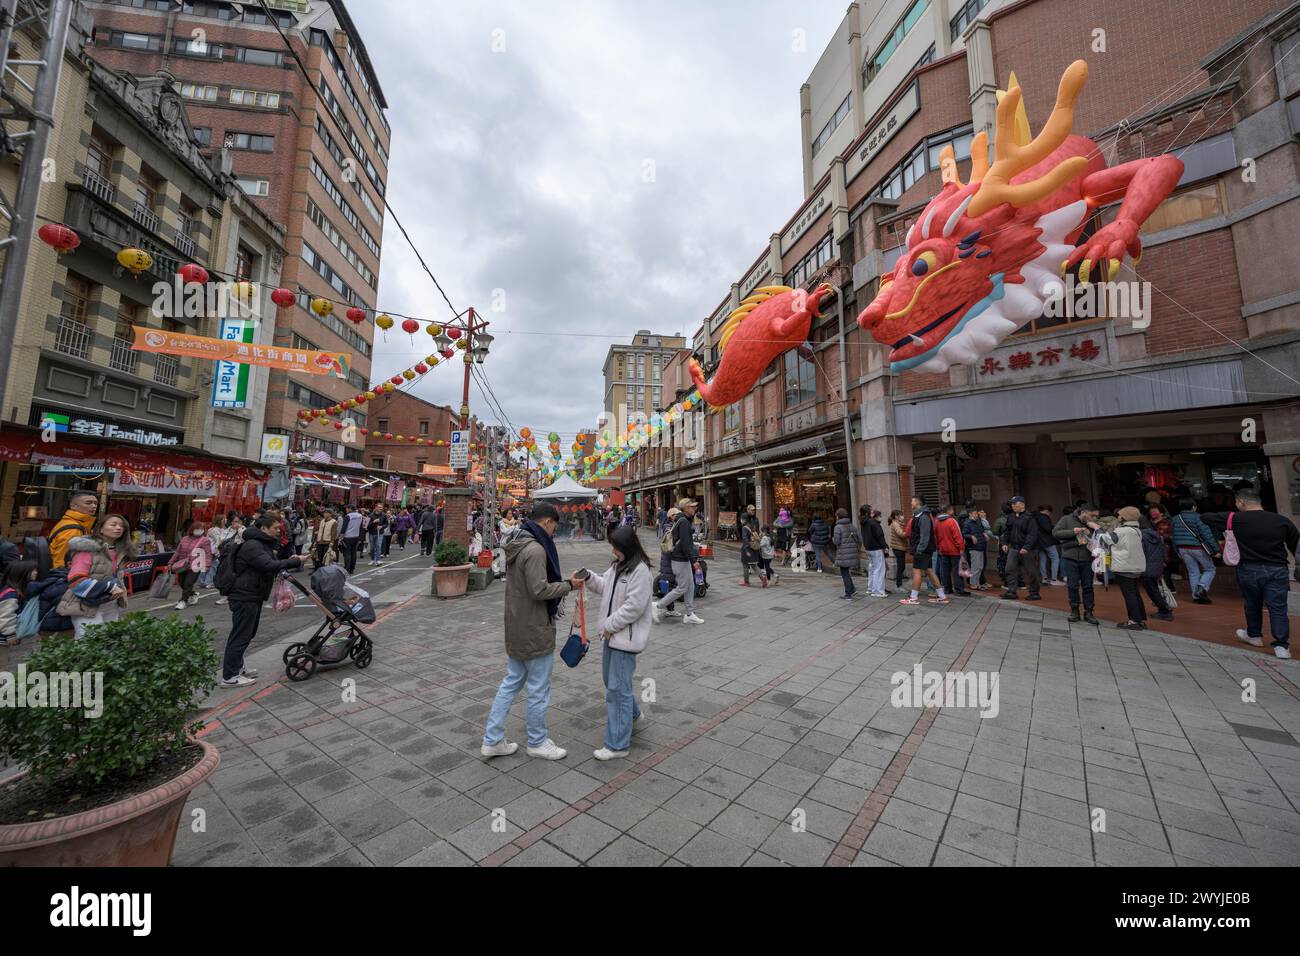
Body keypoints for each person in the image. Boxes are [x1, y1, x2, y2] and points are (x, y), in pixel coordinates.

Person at [481, 502, 584, 760]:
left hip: (516, 623)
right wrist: (568, 585)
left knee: (511, 683)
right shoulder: (536, 549)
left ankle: (492, 739)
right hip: (535, 627)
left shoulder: (517, 542)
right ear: (548, 522)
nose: (553, 533)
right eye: (554, 527)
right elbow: (539, 590)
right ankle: (537, 741)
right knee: (538, 688)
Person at [581, 524, 653, 760]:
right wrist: (589, 577)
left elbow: (633, 607)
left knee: (617, 689)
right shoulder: (618, 567)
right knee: (612, 681)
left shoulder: (640, 572)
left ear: (627, 547)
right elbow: (605, 587)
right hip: (611, 637)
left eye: (616, 547)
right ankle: (631, 715)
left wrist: (608, 625)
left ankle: (617, 744)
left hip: (624, 639)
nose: (613, 551)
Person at [1205, 488, 1298, 659]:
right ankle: (1282, 646)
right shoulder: (1281, 521)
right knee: (1278, 607)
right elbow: (1296, 545)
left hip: (1248, 568)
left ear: (1241, 502)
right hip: (1277, 569)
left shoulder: (1235, 519)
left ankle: (1254, 635)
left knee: (1252, 603)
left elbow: (1206, 517)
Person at [221, 513, 303, 686]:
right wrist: (294, 561)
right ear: (263, 528)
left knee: (247, 634)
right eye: (275, 528)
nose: (278, 531)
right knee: (241, 635)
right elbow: (268, 565)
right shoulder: (253, 545)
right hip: (244, 595)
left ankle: (238, 667)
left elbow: (270, 564)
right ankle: (229, 677)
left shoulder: (261, 544)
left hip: (253, 594)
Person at [58, 514, 133, 640]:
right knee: (89, 643)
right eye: (113, 524)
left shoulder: (121, 552)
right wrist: (110, 587)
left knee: (110, 642)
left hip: (110, 603)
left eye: (122, 526)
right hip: (85, 604)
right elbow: (76, 581)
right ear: (101, 529)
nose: (118, 528)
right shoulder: (87, 549)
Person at [652, 498, 703, 625]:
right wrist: (694, 560)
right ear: (685, 508)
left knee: (690, 586)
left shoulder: (681, 520)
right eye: (692, 507)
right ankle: (657, 606)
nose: (694, 509)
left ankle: (689, 614)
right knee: (682, 587)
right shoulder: (684, 522)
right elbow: (686, 545)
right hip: (680, 560)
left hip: (680, 559)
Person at [1099, 507, 1149, 630]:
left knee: (1129, 595)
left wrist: (1097, 529)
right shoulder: (1137, 530)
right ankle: (1141, 619)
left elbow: (1106, 539)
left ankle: (1134, 621)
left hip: (1124, 566)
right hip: (1136, 566)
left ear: (1124, 517)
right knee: (1135, 594)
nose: (1118, 517)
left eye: (1120, 515)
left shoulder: (1122, 531)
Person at [1054, 502, 1101, 624]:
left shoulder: (1093, 524)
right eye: (1092, 515)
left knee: (1088, 586)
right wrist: (1073, 531)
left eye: (1096, 516)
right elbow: (1056, 533)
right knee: (1072, 585)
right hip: (1070, 557)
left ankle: (1089, 612)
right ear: (1084, 512)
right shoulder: (1066, 519)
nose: (1094, 518)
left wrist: (1094, 529)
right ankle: (1074, 610)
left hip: (1087, 558)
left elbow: (1102, 539)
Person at [1172, 498, 1220, 604]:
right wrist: (1216, 550)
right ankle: (1202, 587)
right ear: (1193, 507)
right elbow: (1207, 535)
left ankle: (1196, 596)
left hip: (1182, 548)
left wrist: (1177, 550)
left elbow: (1174, 536)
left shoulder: (1175, 518)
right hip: (1198, 548)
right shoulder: (1199, 517)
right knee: (1210, 569)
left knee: (1193, 572)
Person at [901, 498, 946, 605]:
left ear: (918, 502)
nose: (911, 503)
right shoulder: (919, 515)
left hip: (922, 550)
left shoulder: (923, 516)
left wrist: (919, 550)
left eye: (912, 501)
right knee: (929, 571)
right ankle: (942, 596)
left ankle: (913, 597)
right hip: (924, 549)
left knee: (917, 572)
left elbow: (924, 536)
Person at [1000, 497, 1042, 601]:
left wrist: (1026, 547)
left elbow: (1032, 534)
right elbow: (1007, 531)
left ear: (1022, 505)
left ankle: (1034, 592)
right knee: (1009, 569)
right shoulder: (1011, 517)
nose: (1013, 506)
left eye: (1015, 504)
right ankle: (1011, 591)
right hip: (1014, 548)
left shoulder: (1030, 518)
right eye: (1012, 504)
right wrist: (1005, 543)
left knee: (1031, 571)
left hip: (1028, 550)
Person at [168, 519, 214, 611]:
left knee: (188, 583)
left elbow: (208, 554)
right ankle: (193, 594)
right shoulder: (184, 539)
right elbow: (177, 552)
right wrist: (170, 562)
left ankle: (183, 601)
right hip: (183, 565)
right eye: (198, 528)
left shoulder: (205, 541)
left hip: (196, 565)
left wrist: (207, 566)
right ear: (192, 529)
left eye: (201, 529)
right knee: (182, 583)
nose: (200, 530)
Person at [48, 490, 99, 570]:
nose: (93, 506)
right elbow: (60, 559)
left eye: (95, 503)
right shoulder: (72, 529)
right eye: (88, 503)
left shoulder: (79, 524)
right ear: (73, 506)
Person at [1139, 515, 1174, 622]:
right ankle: (1164, 608)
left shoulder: (1141, 536)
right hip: (1157, 565)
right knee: (1153, 588)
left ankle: (1164, 609)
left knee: (1152, 590)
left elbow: (1141, 552)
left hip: (1147, 566)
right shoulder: (1156, 535)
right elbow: (1162, 550)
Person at [0, 560, 37, 645]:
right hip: (2, 637)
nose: (36, 573)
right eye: (33, 570)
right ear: (22, 573)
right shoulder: (11, 593)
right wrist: (10, 634)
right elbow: (6, 615)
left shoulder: (13, 591)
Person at [934, 504, 968, 597]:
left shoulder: (937, 521)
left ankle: (947, 589)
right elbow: (958, 536)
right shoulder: (951, 521)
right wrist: (961, 548)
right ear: (949, 510)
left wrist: (938, 547)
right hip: (954, 550)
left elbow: (935, 536)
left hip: (943, 550)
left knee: (945, 570)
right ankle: (959, 590)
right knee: (957, 570)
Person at [830, 508, 861, 599]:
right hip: (852, 553)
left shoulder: (838, 527)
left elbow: (836, 542)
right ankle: (852, 589)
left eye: (836, 515)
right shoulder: (852, 526)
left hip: (843, 554)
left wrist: (832, 539)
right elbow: (859, 539)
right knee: (846, 572)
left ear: (838, 516)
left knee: (844, 573)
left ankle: (848, 593)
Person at [859, 508, 887, 596]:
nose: (872, 513)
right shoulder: (873, 523)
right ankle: (878, 591)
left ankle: (871, 588)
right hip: (876, 548)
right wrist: (885, 546)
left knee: (872, 568)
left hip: (868, 548)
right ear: (867, 513)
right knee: (879, 569)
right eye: (871, 511)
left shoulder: (863, 523)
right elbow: (880, 536)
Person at [961, 508, 987, 591]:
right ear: (970, 514)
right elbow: (964, 534)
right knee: (975, 567)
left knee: (980, 567)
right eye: (975, 514)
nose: (976, 515)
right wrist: (971, 536)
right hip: (973, 547)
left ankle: (977, 582)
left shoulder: (977, 522)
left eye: (977, 514)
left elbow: (980, 531)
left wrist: (984, 534)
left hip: (981, 546)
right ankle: (973, 583)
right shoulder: (967, 523)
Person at [1035, 505, 1063, 585]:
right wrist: (1053, 527)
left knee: (1042, 560)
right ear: (1047, 511)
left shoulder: (1034, 517)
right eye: (1049, 513)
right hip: (1047, 541)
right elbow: (1048, 529)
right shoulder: (1044, 517)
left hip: (1039, 542)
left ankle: (1044, 578)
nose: (1049, 515)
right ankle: (1054, 579)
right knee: (1055, 559)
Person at [740, 516, 766, 588]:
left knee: (745, 565)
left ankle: (746, 582)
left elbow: (745, 540)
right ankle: (763, 577)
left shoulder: (744, 528)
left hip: (747, 549)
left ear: (745, 520)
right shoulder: (752, 527)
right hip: (754, 549)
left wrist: (746, 550)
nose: (741, 520)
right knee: (754, 565)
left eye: (742, 519)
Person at [887, 510, 908, 590]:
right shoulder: (896, 524)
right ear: (896, 516)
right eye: (901, 515)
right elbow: (901, 534)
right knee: (901, 567)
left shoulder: (898, 524)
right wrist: (908, 532)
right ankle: (899, 585)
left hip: (899, 547)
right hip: (898, 548)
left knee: (901, 566)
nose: (902, 516)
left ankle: (899, 584)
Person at [340, 505, 363, 573]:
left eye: (347, 508)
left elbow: (344, 527)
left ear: (350, 509)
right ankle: (352, 568)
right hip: (356, 536)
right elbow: (361, 526)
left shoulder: (348, 516)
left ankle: (347, 568)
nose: (346, 510)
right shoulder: (360, 515)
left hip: (347, 536)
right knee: (353, 553)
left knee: (347, 553)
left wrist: (341, 536)